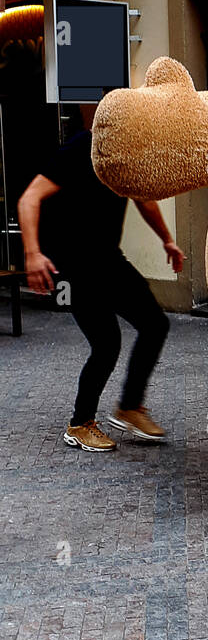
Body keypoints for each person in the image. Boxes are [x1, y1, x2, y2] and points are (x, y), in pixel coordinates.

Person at [18, 106, 184, 453]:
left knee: (155, 324)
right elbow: (28, 199)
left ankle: (129, 407)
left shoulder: (125, 156)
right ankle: (80, 424)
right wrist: (33, 253)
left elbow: (144, 201)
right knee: (106, 344)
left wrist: (167, 240)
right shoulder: (81, 149)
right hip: (74, 264)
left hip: (108, 259)